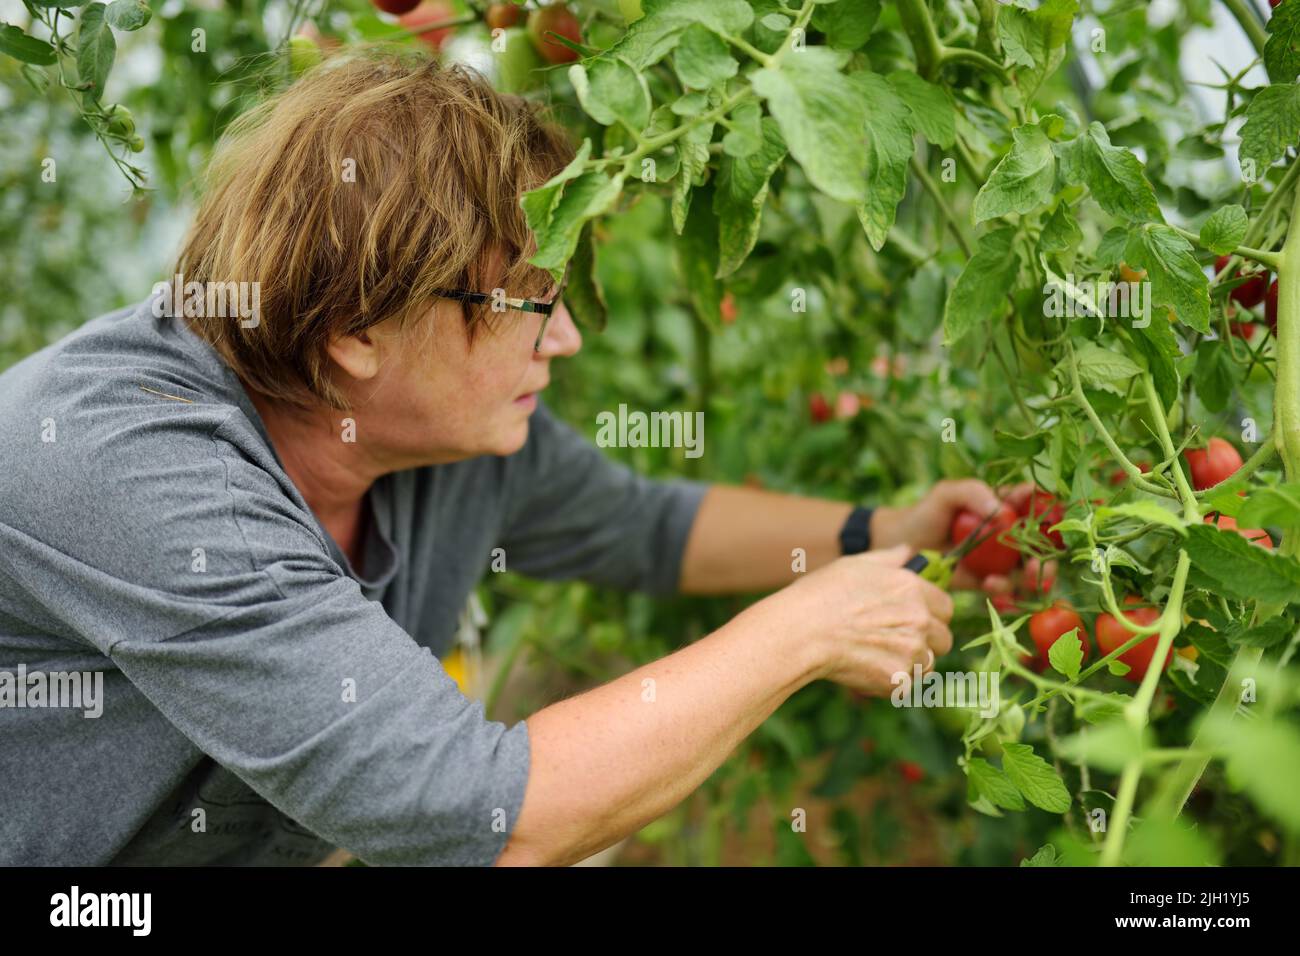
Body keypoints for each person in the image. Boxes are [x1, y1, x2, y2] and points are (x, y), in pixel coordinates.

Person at [0, 50, 1008, 867]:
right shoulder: (132, 466)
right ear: (361, 324)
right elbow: (495, 817)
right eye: (535, 300)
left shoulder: (440, 437)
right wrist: (798, 633)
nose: (565, 338)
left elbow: (647, 527)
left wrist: (879, 535)